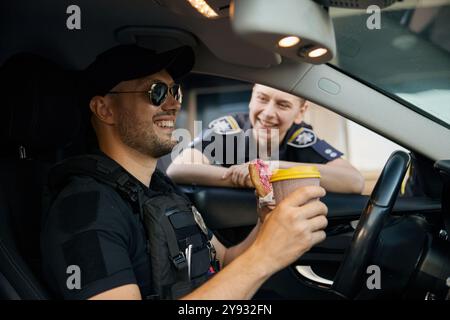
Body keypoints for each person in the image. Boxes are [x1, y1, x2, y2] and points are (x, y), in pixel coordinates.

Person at [41, 45, 328, 300]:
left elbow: (226, 262)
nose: (174, 104)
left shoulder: (160, 188)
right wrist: (265, 256)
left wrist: (266, 224)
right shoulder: (85, 209)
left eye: (174, 91)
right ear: (104, 109)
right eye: (156, 92)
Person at [167, 84, 364, 194]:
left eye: (283, 105)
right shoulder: (230, 128)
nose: (268, 113)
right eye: (262, 98)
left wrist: (269, 170)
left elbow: (354, 182)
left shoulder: (300, 136)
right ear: (252, 98)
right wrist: (247, 179)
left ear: (300, 112)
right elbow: (177, 169)